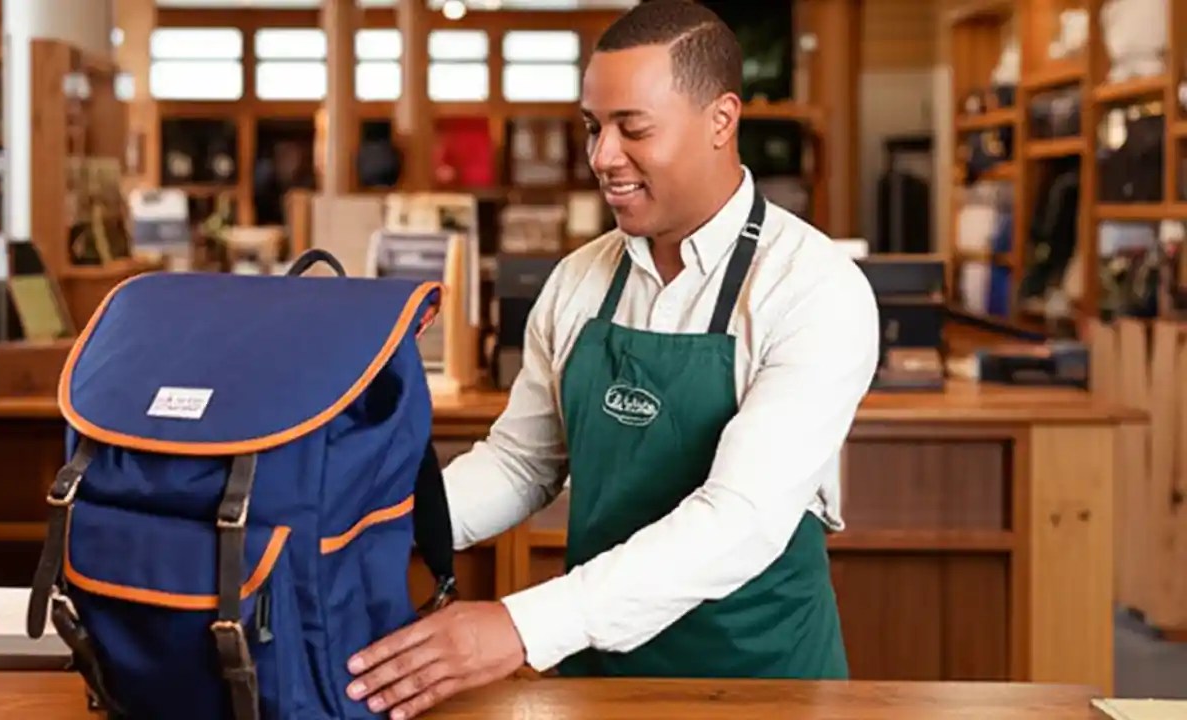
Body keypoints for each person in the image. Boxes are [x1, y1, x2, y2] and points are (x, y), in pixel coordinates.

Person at [345, 1, 880, 717]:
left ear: (721, 120)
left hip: (762, 679)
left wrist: (519, 625)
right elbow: (522, 462)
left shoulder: (813, 287)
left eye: (634, 128)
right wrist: (369, 517)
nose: (601, 157)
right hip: (598, 678)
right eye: (595, 127)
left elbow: (739, 518)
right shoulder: (577, 281)